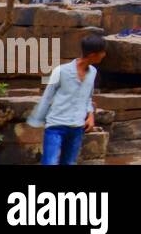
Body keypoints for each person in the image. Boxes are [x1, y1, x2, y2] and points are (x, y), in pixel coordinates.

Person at [27, 34, 106, 166]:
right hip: (55, 126)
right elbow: (47, 96)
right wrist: (36, 122)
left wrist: (90, 116)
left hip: (77, 127)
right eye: (102, 52)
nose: (104, 54)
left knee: (69, 162)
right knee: (50, 162)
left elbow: (88, 97)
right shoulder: (60, 71)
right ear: (93, 55)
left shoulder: (93, 72)